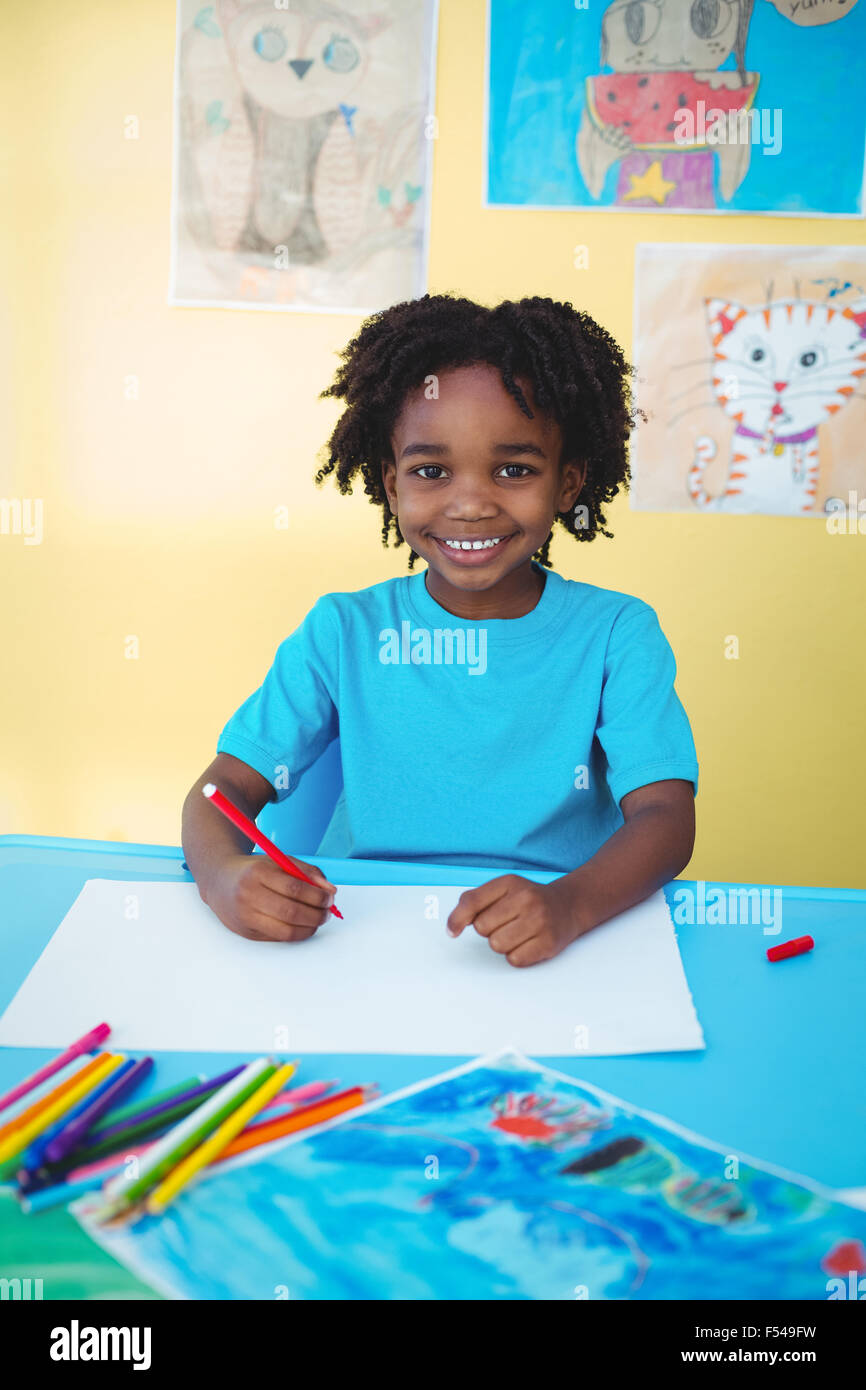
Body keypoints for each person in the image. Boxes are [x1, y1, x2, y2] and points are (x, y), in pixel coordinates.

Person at [182, 293, 699, 966]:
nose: (471, 503)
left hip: (559, 935)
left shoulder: (616, 635)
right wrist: (225, 879)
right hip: (355, 939)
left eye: (514, 469)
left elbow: (666, 820)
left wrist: (569, 904)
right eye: (431, 471)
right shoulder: (343, 631)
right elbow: (220, 793)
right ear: (392, 488)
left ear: (568, 483)